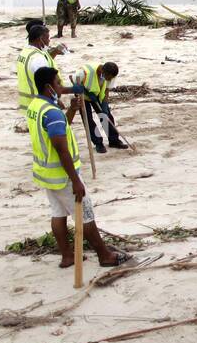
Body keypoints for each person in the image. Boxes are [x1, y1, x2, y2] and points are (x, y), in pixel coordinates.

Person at [26, 66, 127, 269]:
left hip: (46, 174)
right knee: (85, 214)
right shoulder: (52, 112)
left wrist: (71, 110)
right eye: (58, 83)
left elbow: (61, 128)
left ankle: (67, 256)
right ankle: (104, 255)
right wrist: (75, 181)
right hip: (62, 175)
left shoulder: (36, 106)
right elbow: (61, 149)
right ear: (48, 87)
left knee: (58, 214)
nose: (62, 87)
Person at [67, 61, 128, 153]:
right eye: (107, 78)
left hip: (98, 95)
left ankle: (114, 140)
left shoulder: (112, 75)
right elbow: (73, 80)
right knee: (88, 119)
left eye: (110, 79)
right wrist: (86, 92)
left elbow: (106, 90)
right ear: (102, 71)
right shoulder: (84, 73)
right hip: (83, 96)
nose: (108, 80)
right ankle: (98, 143)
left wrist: (104, 105)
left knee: (106, 117)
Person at [16, 20, 70, 111]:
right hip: (41, 103)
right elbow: (47, 83)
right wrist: (56, 99)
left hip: (29, 104)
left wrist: (55, 52)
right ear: (40, 38)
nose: (49, 41)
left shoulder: (26, 52)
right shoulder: (37, 58)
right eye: (47, 38)